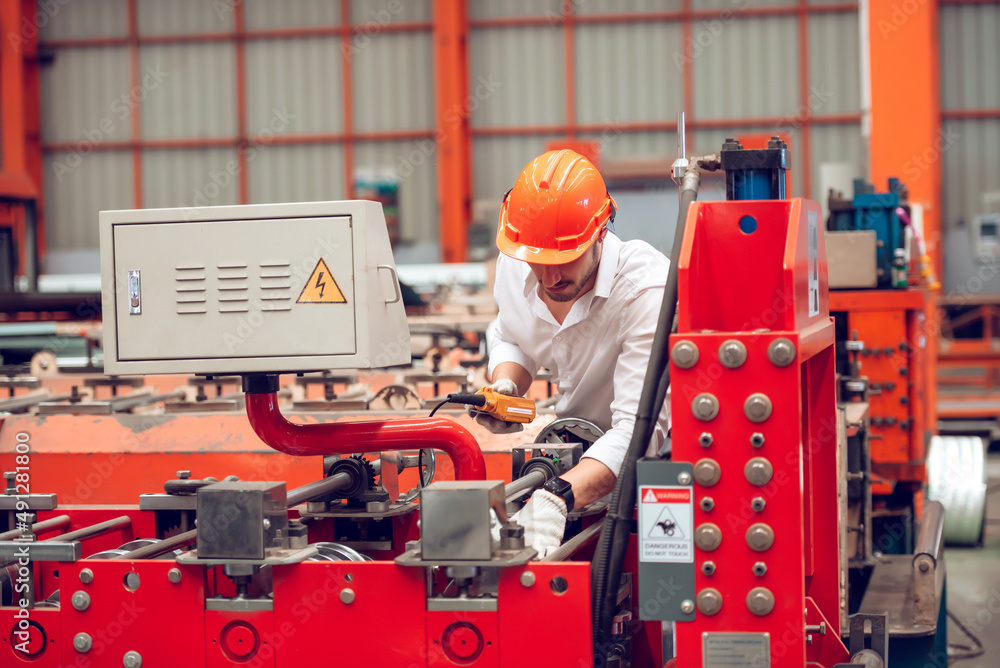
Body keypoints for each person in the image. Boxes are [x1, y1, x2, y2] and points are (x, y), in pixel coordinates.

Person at [473, 149, 671, 557]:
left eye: (564, 259)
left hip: (649, 475)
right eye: (536, 260)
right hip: (572, 459)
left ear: (601, 233)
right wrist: (507, 384)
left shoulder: (646, 293)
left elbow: (637, 432)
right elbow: (512, 332)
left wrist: (556, 497)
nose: (549, 276)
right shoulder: (519, 257)